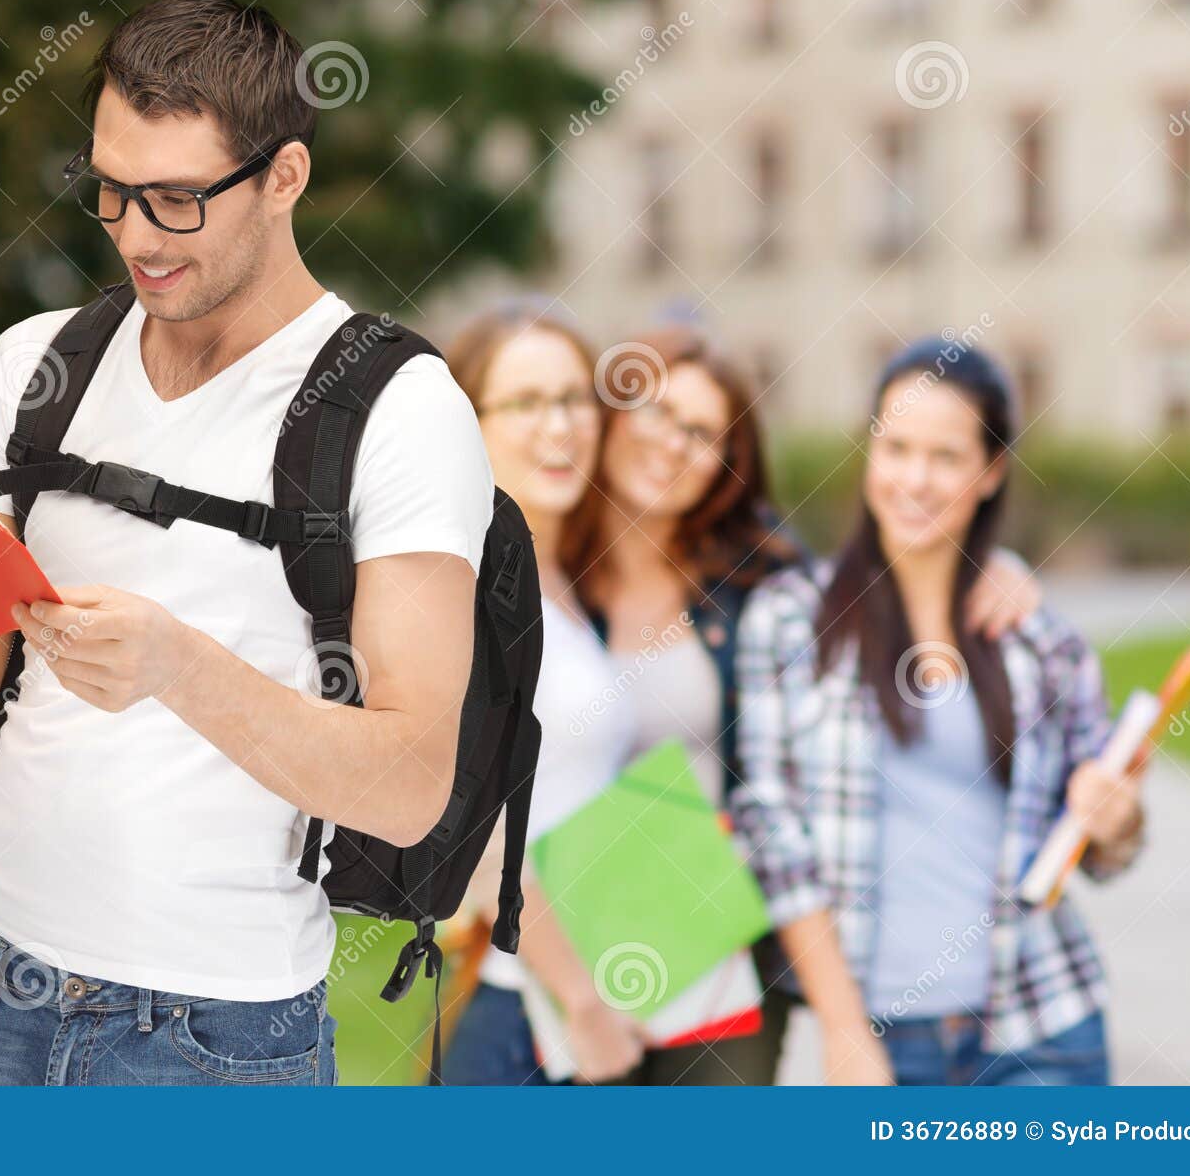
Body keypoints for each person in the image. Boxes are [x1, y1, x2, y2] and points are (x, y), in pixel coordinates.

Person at [0, 0, 494, 1086]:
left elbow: (412, 781)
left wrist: (178, 666)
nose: (136, 234)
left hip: (213, 1039)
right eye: (111, 190)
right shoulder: (37, 365)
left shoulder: (399, 407)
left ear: (285, 176)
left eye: (177, 199)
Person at [559, 323, 1044, 1085]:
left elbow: (880, 571)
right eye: (655, 412)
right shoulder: (533, 566)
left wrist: (994, 568)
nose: (672, 443)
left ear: (728, 463)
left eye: (703, 432)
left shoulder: (753, 579)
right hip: (549, 922)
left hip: (706, 924)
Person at [733, 338, 1145, 1087]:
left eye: (947, 457)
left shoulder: (1041, 640)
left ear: (990, 473)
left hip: (1041, 1030)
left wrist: (1118, 823)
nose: (914, 479)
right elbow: (773, 835)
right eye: (896, 449)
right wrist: (844, 1028)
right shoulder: (791, 622)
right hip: (882, 1041)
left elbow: (1100, 844)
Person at [439, 302, 649, 1085]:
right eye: (525, 404)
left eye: (572, 399)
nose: (559, 425)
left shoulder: (558, 575)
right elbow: (474, 825)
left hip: (584, 1005)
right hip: (533, 1019)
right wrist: (582, 1002)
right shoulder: (465, 584)